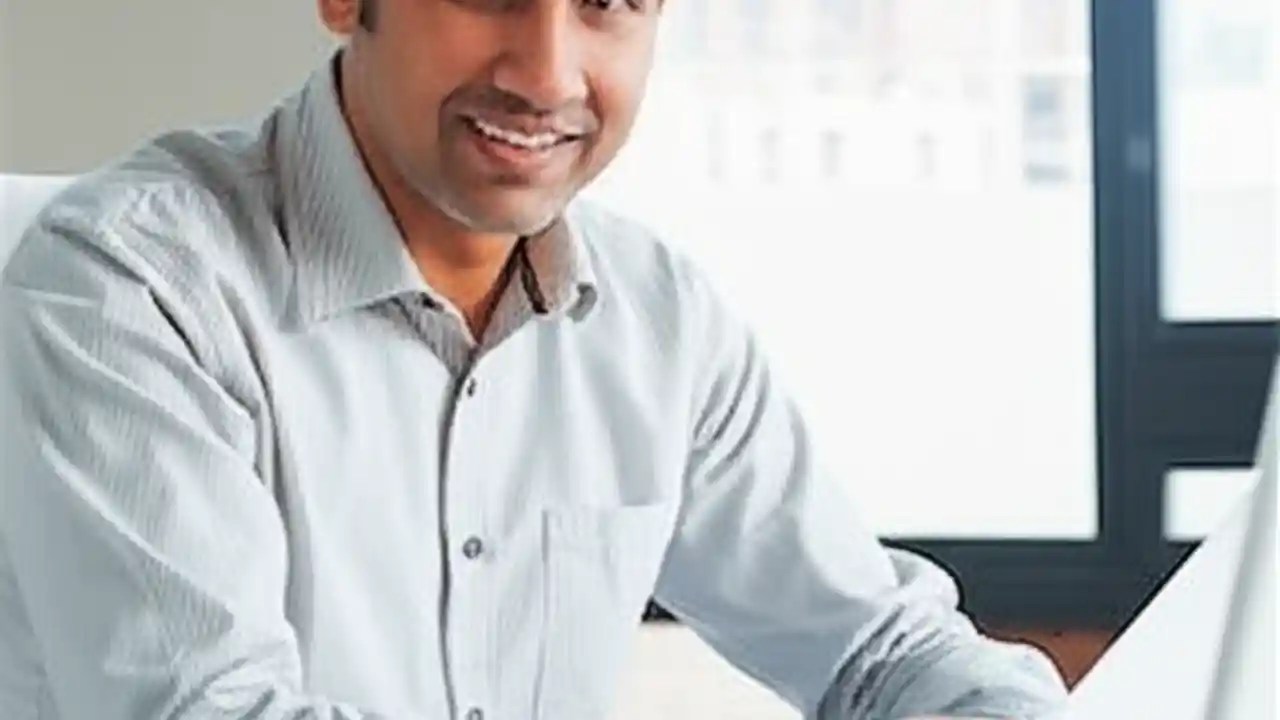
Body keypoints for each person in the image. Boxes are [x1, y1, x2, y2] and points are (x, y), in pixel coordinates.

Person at [0, 1, 1069, 718]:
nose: (546, 72)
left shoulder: (655, 321)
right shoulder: (125, 286)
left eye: (607, 0)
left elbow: (874, 650)